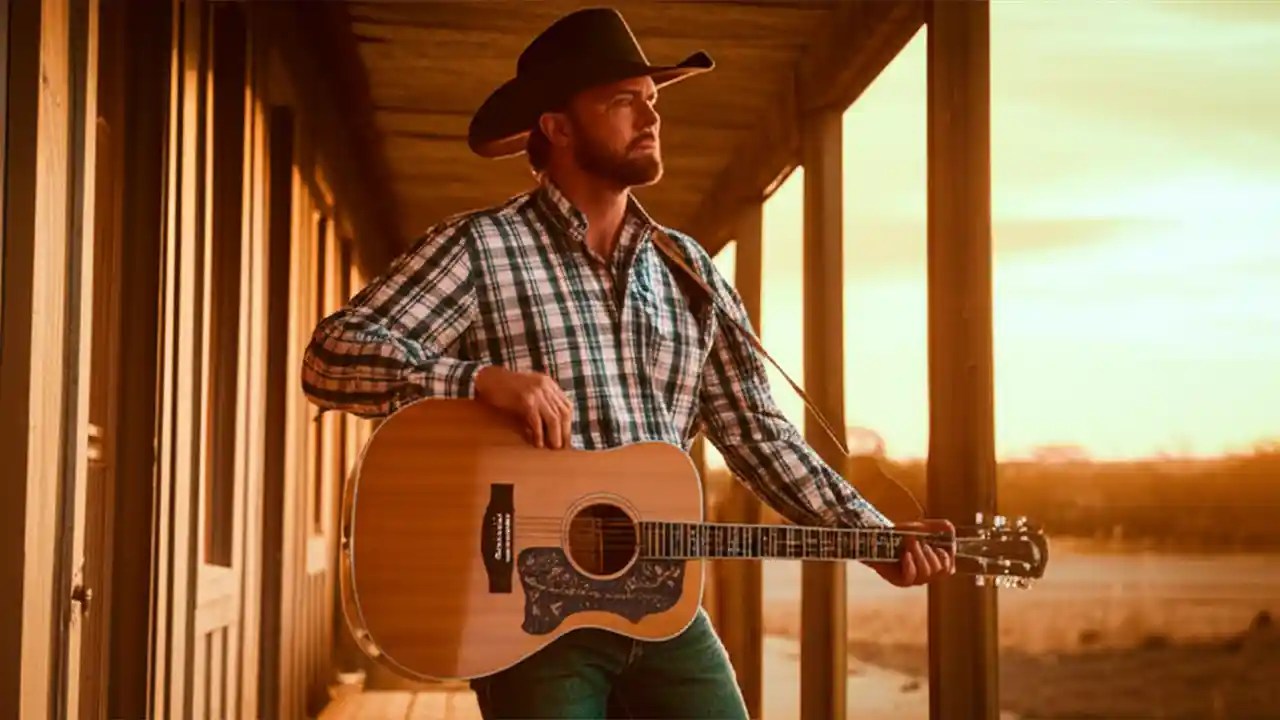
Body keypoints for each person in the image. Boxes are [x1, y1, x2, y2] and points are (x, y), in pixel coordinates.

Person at [301, 7, 955, 719]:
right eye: (622, 100)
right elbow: (333, 355)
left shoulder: (690, 270)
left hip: (662, 607)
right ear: (555, 125)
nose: (650, 117)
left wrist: (870, 533)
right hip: (525, 614)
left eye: (652, 100)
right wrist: (478, 380)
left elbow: (757, 433)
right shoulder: (481, 249)